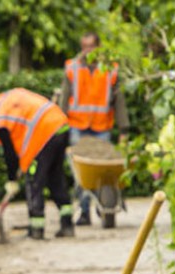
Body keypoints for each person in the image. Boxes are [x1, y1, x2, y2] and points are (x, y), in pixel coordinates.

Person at [0, 88, 74, 240]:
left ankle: (36, 229)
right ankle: (67, 225)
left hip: (44, 134)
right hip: (60, 125)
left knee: (34, 182)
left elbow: (9, 151)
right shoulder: (5, 100)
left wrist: (12, 179)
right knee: (55, 178)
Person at [59, 31, 130, 226]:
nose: (87, 51)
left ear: (98, 47)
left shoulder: (111, 70)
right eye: (84, 47)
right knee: (82, 174)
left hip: (101, 127)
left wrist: (124, 130)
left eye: (91, 46)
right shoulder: (72, 68)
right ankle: (84, 212)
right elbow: (64, 99)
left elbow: (119, 102)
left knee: (103, 171)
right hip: (77, 127)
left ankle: (104, 204)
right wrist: (59, 127)